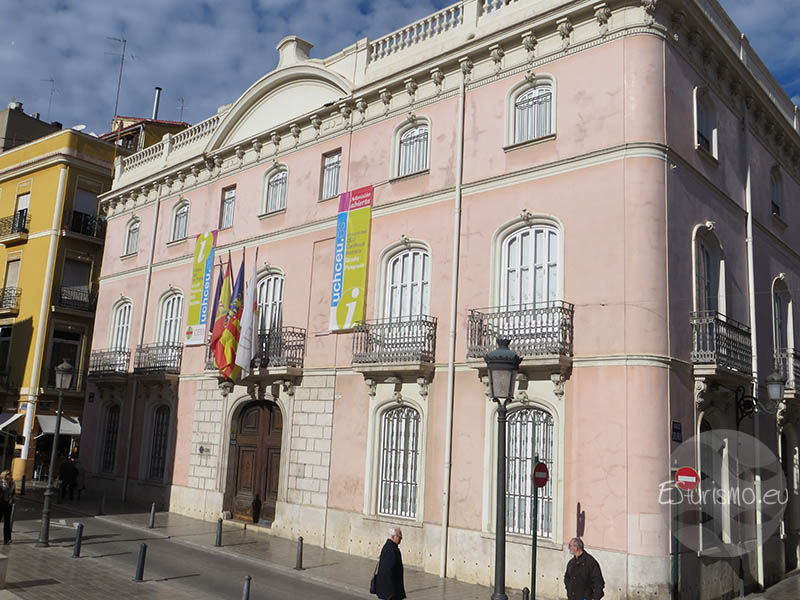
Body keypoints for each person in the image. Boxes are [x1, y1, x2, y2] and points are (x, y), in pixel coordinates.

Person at [375, 526, 406, 600]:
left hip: (393, 589)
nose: (401, 538)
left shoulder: (392, 547)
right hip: (390, 591)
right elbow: (386, 571)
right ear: (393, 537)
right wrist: (390, 593)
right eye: (399, 536)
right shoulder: (390, 550)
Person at [0, 470, 15, 544]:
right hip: (0, 503)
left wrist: (12, 500)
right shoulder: (0, 483)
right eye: (8, 475)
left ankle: (7, 539)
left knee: (7, 522)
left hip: (8, 504)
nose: (10, 476)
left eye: (10, 475)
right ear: (4, 475)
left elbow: (13, 493)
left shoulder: (12, 483)